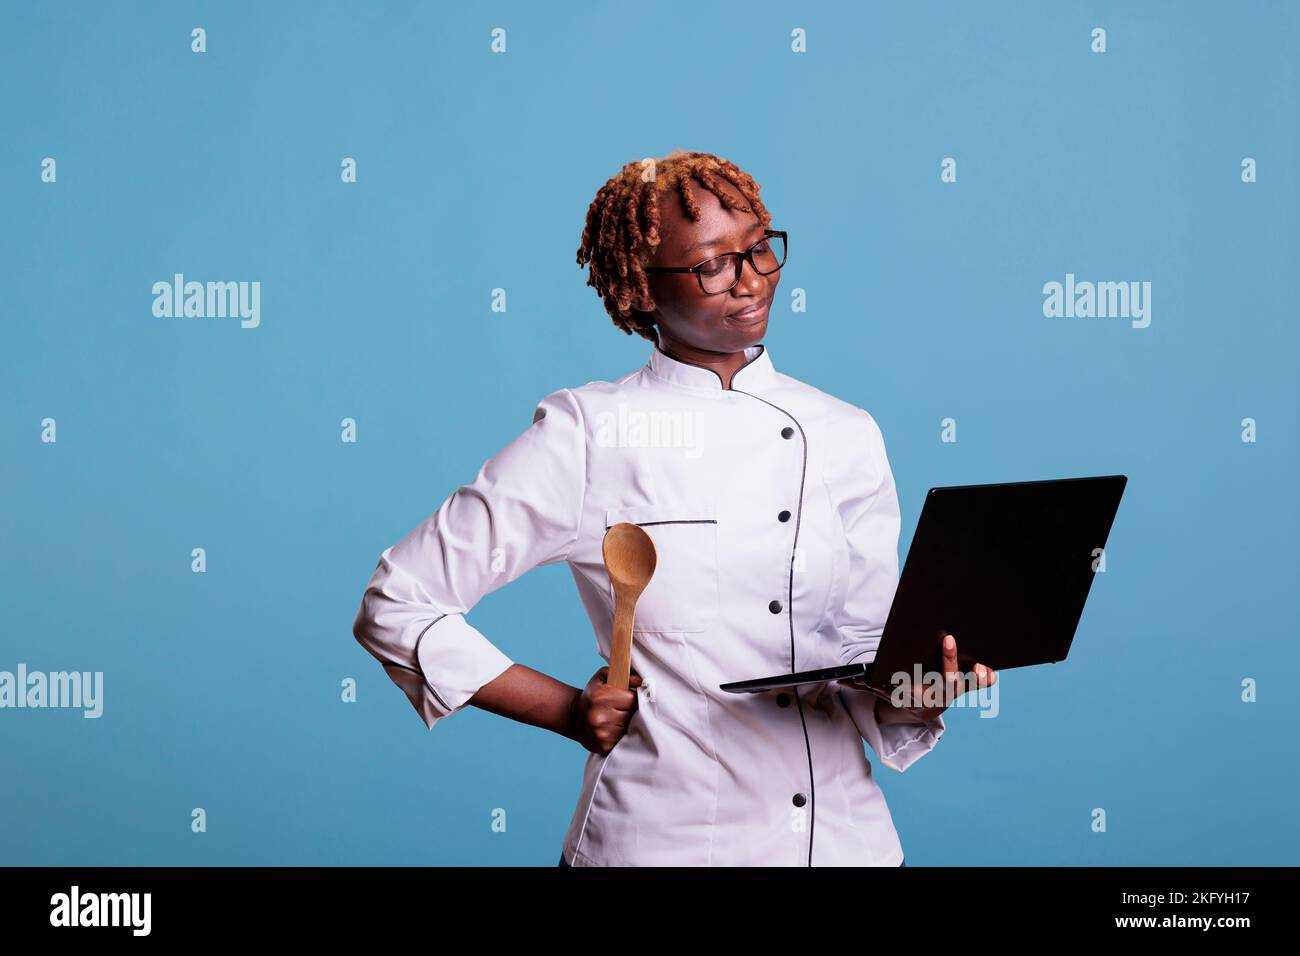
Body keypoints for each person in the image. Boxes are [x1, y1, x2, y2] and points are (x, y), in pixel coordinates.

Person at [351, 149, 996, 867]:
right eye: (712, 266)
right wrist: (566, 710)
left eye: (759, 249)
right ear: (640, 290)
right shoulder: (590, 433)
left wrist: (923, 685)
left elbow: (861, 673)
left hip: (847, 845)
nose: (749, 280)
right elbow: (397, 601)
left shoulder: (846, 434)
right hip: (663, 843)